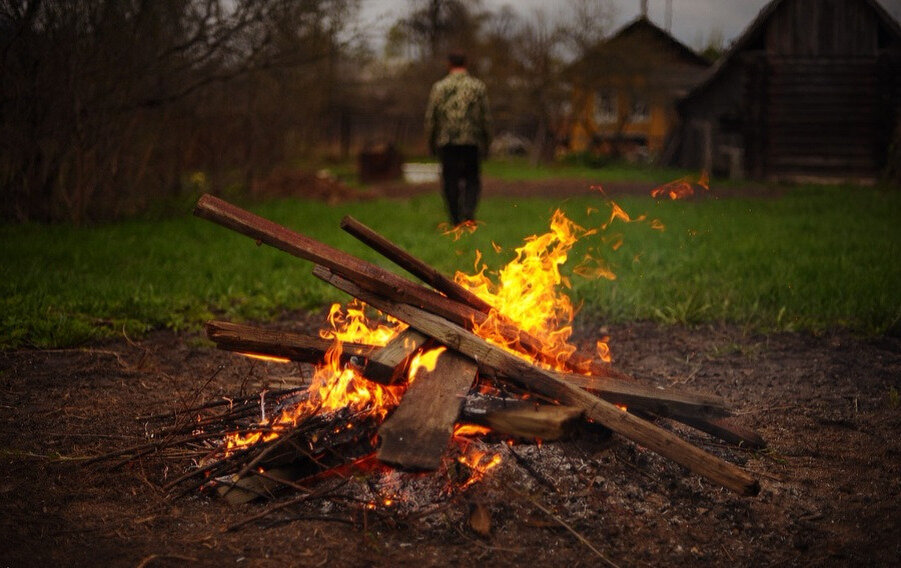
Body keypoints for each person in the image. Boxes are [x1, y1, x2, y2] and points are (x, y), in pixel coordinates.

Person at [425, 51, 491, 225]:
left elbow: (431, 117)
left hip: (447, 142)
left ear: (449, 64)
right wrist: (487, 142)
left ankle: (455, 218)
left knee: (450, 180)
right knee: (472, 178)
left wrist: (431, 143)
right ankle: (469, 211)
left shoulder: (439, 87)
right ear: (466, 63)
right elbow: (486, 117)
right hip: (471, 140)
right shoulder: (477, 86)